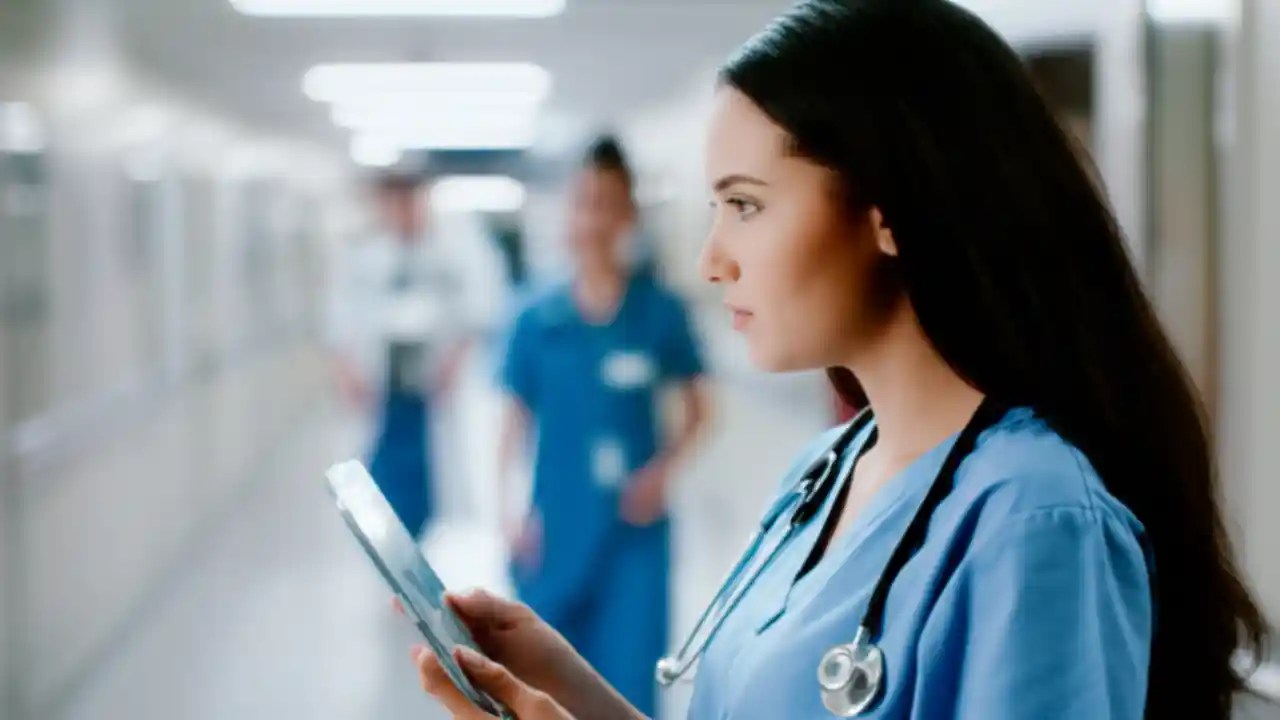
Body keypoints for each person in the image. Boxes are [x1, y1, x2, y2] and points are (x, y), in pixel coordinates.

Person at [408, 1, 1268, 718]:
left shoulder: (1035, 524)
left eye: (745, 205)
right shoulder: (826, 470)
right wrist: (565, 686)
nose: (713, 258)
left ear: (887, 211)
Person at [492, 135, 710, 718]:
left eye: (608, 203)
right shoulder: (535, 317)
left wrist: (663, 473)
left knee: (628, 679)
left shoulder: (659, 311)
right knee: (542, 677)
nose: (594, 218)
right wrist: (508, 510)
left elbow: (700, 408)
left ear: (629, 213)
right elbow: (510, 425)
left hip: (634, 529)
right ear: (567, 211)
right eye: (584, 202)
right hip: (557, 521)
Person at [327, 172, 475, 539]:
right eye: (395, 203)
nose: (404, 212)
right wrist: (347, 371)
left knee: (424, 480)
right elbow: (340, 320)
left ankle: (416, 541)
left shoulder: (445, 256)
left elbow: (469, 314)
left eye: (411, 203)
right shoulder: (364, 257)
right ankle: (394, 549)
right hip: (382, 387)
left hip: (426, 388)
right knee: (383, 480)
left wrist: (454, 361)